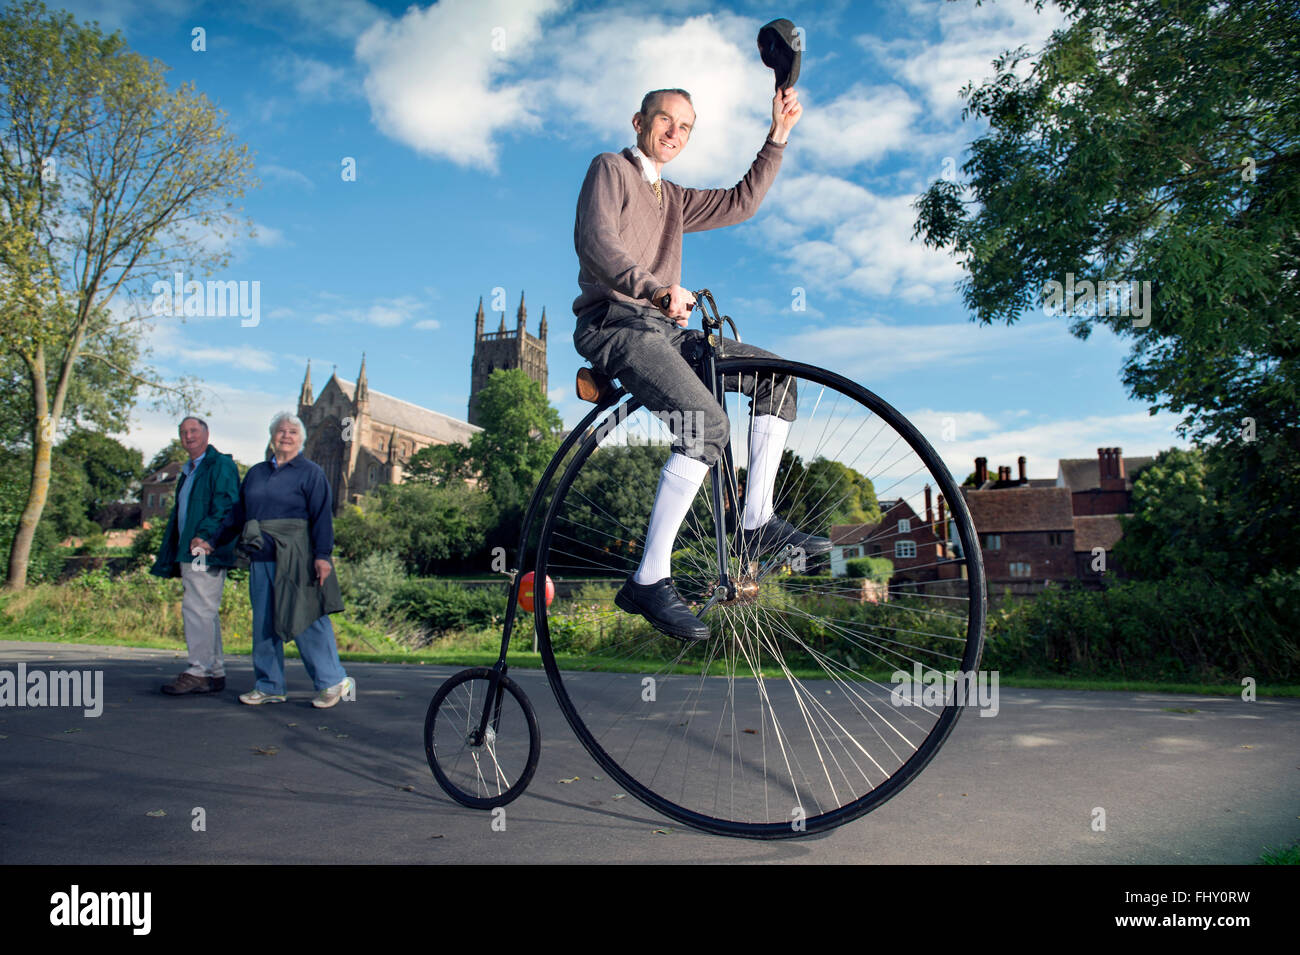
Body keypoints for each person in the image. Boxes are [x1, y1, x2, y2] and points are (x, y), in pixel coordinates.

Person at [571, 84, 829, 643]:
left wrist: (778, 135)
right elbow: (596, 242)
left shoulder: (678, 199)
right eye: (665, 121)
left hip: (665, 331)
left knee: (776, 376)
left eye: (686, 127)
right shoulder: (610, 170)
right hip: (616, 325)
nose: (674, 133)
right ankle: (648, 577)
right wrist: (654, 288)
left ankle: (755, 520)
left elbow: (742, 201)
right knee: (705, 424)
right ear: (639, 120)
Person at [198, 412, 354, 708]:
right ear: (272, 436)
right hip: (261, 557)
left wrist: (323, 556)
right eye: (281, 431)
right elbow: (238, 515)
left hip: (298, 556)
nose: (286, 435)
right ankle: (269, 685)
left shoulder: (311, 472)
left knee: (307, 617)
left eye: (293, 432)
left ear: (302, 439)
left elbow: (322, 516)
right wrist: (211, 539)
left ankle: (332, 681)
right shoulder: (256, 473)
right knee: (264, 622)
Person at [151, 416, 239, 695]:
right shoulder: (189, 469)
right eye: (183, 432)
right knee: (204, 610)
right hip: (189, 548)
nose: (188, 436)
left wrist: (207, 538)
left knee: (196, 608)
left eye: (193, 431)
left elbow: (227, 504)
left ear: (206, 434)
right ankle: (214, 672)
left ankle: (198, 670)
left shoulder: (220, 464)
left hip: (203, 548)